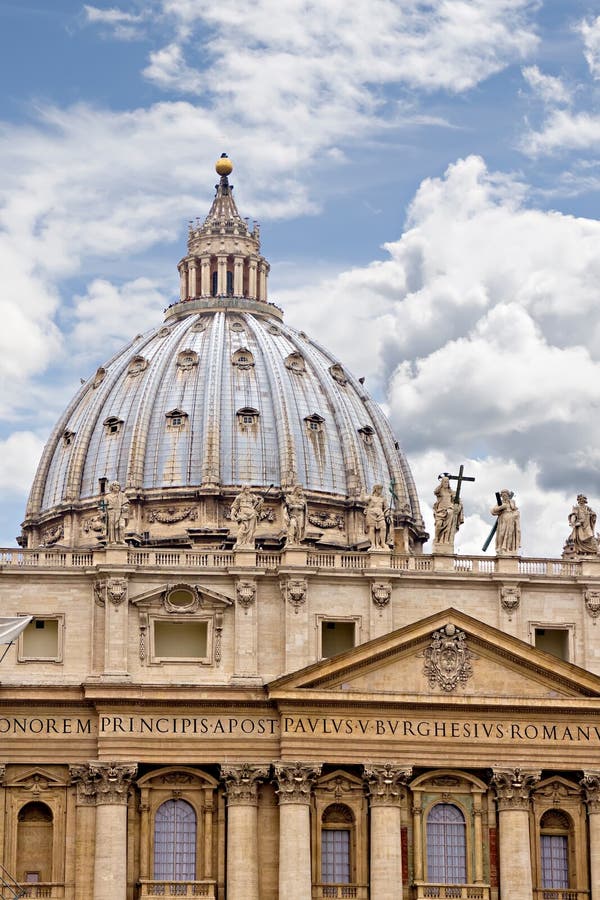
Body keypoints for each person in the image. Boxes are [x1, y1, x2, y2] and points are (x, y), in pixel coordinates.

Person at [433, 475, 463, 546]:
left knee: (449, 525)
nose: (446, 483)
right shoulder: (439, 491)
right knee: (439, 524)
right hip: (440, 511)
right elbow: (435, 491)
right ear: (442, 482)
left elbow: (457, 500)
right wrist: (441, 485)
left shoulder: (451, 492)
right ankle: (437, 538)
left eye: (447, 482)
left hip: (449, 510)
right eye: (445, 482)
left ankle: (446, 539)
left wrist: (457, 500)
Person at [491, 489, 521, 555]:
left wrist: (515, 515)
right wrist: (501, 507)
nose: (505, 497)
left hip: (511, 520)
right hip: (503, 520)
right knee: (502, 533)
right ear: (501, 496)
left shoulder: (512, 502)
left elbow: (516, 510)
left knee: (510, 535)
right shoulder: (500, 503)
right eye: (503, 496)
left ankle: (509, 549)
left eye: (506, 495)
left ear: (508, 495)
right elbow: (492, 511)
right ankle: (500, 547)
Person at [364, 484, 387, 549]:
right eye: (379, 489)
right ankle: (373, 544)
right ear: (375, 489)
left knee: (383, 527)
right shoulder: (370, 497)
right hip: (371, 513)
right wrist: (362, 492)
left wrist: (388, 513)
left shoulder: (383, 499)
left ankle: (382, 543)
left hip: (380, 514)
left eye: (381, 489)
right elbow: (363, 499)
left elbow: (386, 508)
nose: (380, 491)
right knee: (372, 528)